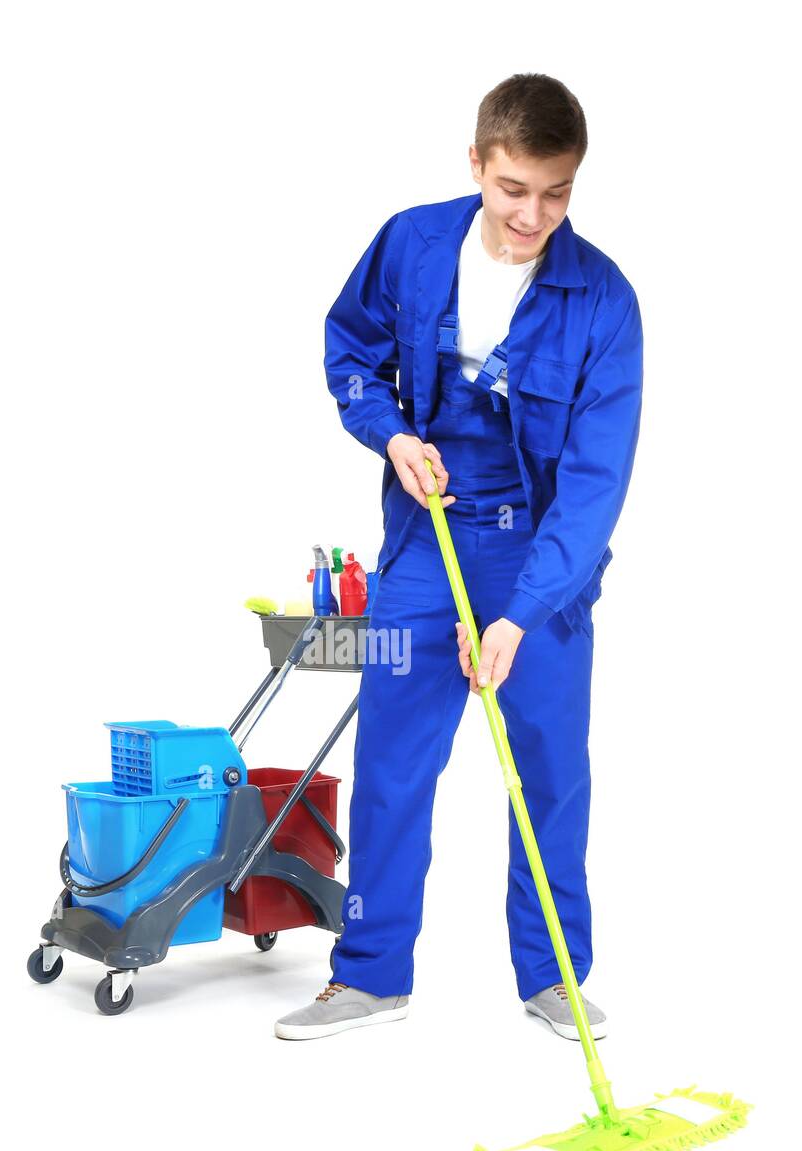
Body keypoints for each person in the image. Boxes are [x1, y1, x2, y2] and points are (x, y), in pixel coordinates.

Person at [275, 73, 643, 1042]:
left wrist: (521, 615)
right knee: (392, 757)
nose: (533, 215)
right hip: (421, 545)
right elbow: (348, 350)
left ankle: (553, 974)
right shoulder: (410, 241)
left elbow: (595, 486)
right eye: (513, 186)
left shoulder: (601, 301)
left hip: (540, 561)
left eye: (555, 192)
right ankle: (368, 972)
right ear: (475, 163)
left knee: (549, 769)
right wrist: (389, 434)